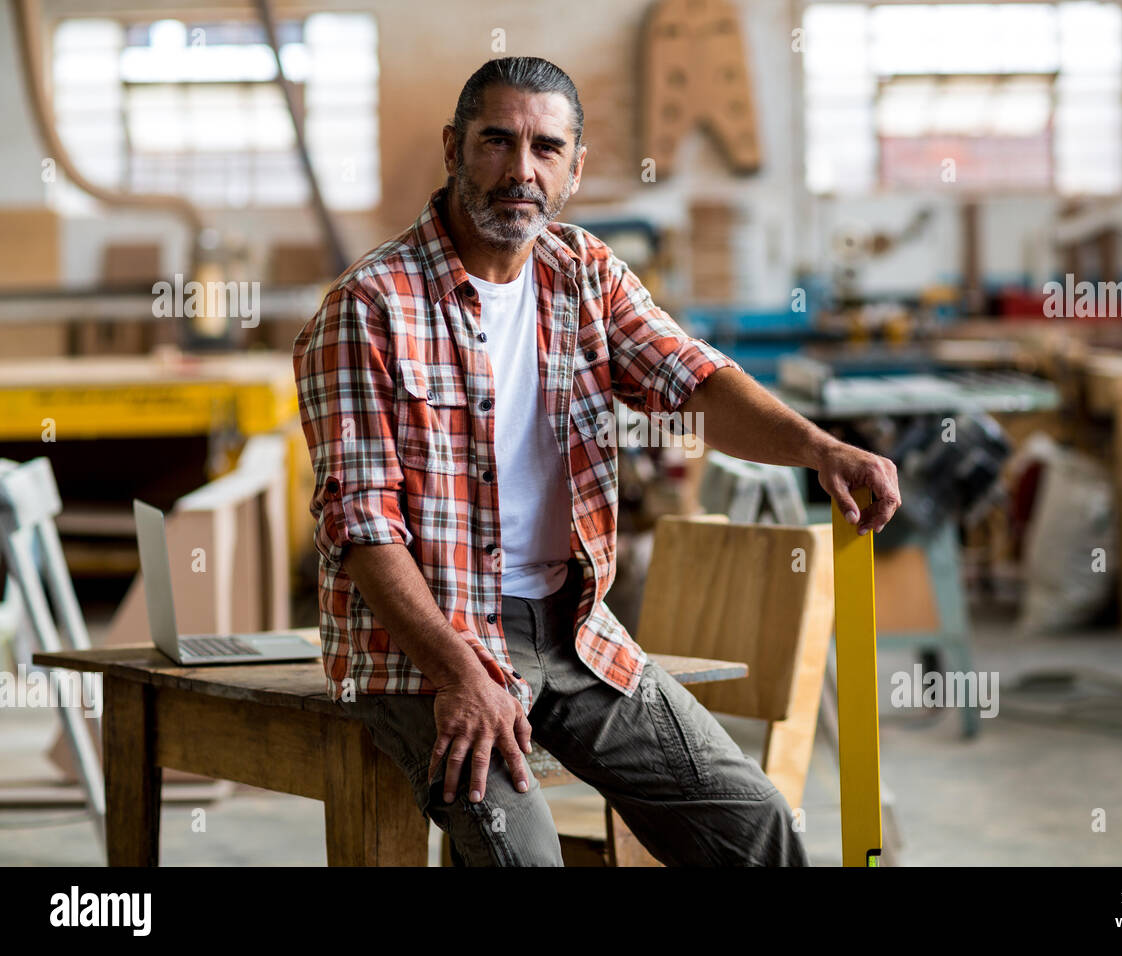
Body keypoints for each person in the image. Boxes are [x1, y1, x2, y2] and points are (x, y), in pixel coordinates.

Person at [292, 56, 900, 866]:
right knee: (529, 861)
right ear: (452, 148)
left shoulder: (582, 274)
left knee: (753, 822)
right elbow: (363, 527)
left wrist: (818, 449)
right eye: (496, 141)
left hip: (573, 633)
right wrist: (459, 676)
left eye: (546, 149)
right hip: (421, 648)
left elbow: (695, 381)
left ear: (574, 170)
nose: (520, 171)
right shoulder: (368, 307)